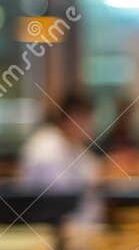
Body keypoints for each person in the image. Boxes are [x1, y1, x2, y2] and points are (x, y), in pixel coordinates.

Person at [17, 94, 104, 224]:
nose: (92, 126)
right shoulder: (46, 144)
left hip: (78, 225)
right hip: (46, 227)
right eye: (88, 120)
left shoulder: (76, 147)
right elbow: (59, 194)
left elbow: (95, 173)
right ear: (72, 119)